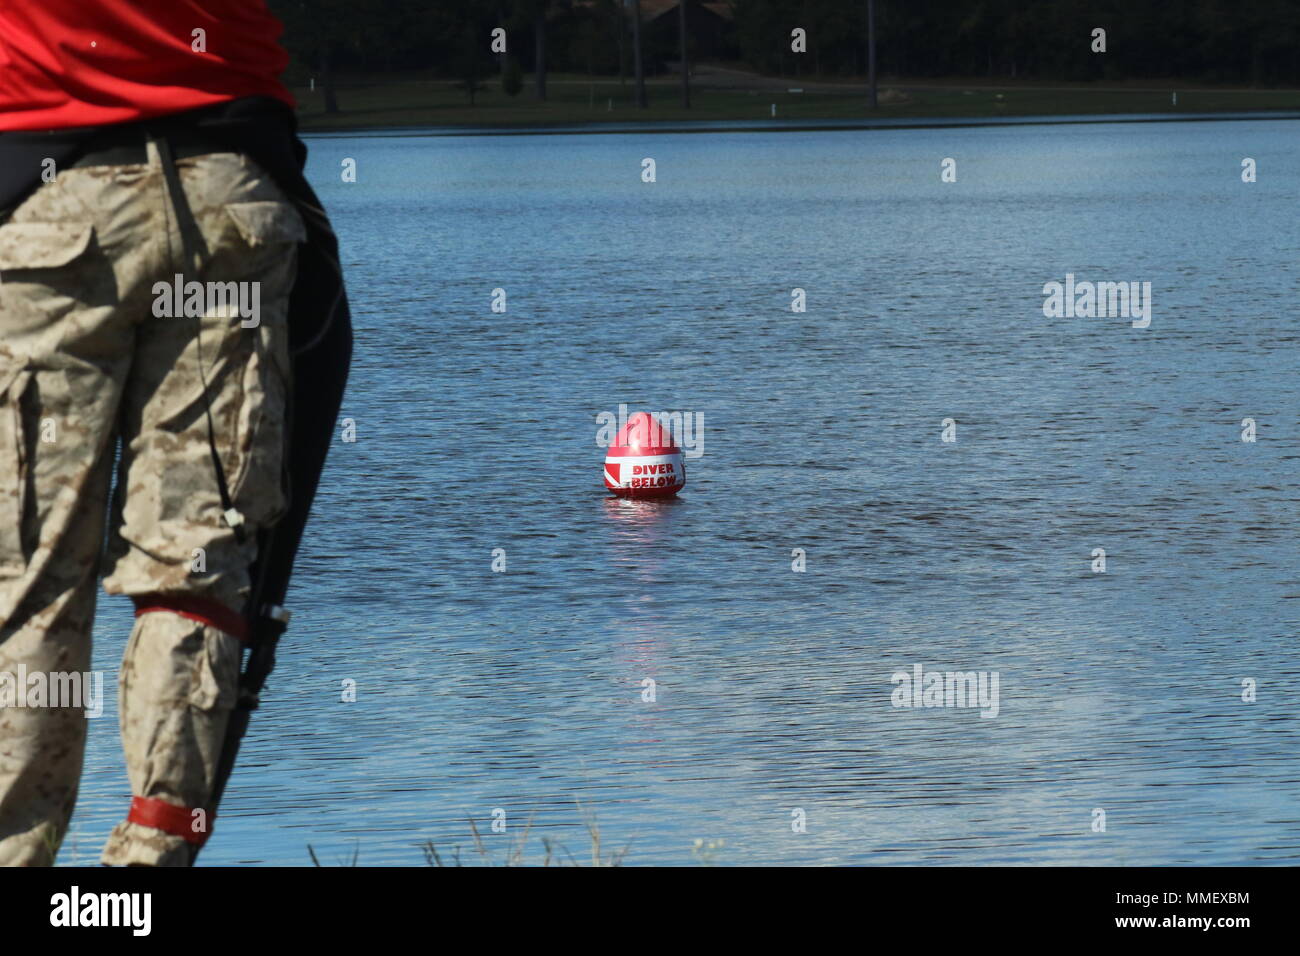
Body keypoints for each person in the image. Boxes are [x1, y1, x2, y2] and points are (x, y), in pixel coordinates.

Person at [0, 1, 351, 866]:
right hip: (230, 193)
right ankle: (140, 887)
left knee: (32, 577)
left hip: (50, 198)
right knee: (197, 570)